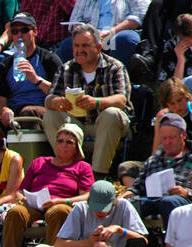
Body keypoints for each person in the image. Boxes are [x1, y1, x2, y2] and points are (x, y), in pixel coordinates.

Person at [42, 24, 131, 177]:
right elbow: (50, 98)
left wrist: (97, 102)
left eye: (85, 45)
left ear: (98, 47)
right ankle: (69, 171)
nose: (79, 50)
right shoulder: (66, 68)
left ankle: (97, 175)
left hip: (107, 127)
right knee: (50, 114)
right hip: (77, 126)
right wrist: (56, 102)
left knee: (111, 113)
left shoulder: (115, 67)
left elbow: (122, 100)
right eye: (76, 46)